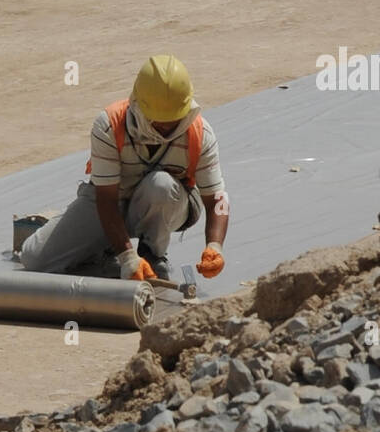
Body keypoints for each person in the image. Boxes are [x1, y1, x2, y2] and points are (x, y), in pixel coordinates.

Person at [20, 54, 228, 283]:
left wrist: (214, 246)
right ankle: (111, 251)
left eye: (174, 121)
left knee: (161, 185)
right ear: (138, 106)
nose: (166, 129)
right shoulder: (109, 125)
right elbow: (106, 198)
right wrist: (127, 256)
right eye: (158, 122)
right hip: (111, 202)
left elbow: (216, 199)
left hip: (165, 205)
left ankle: (152, 255)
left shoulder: (200, 133)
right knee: (34, 259)